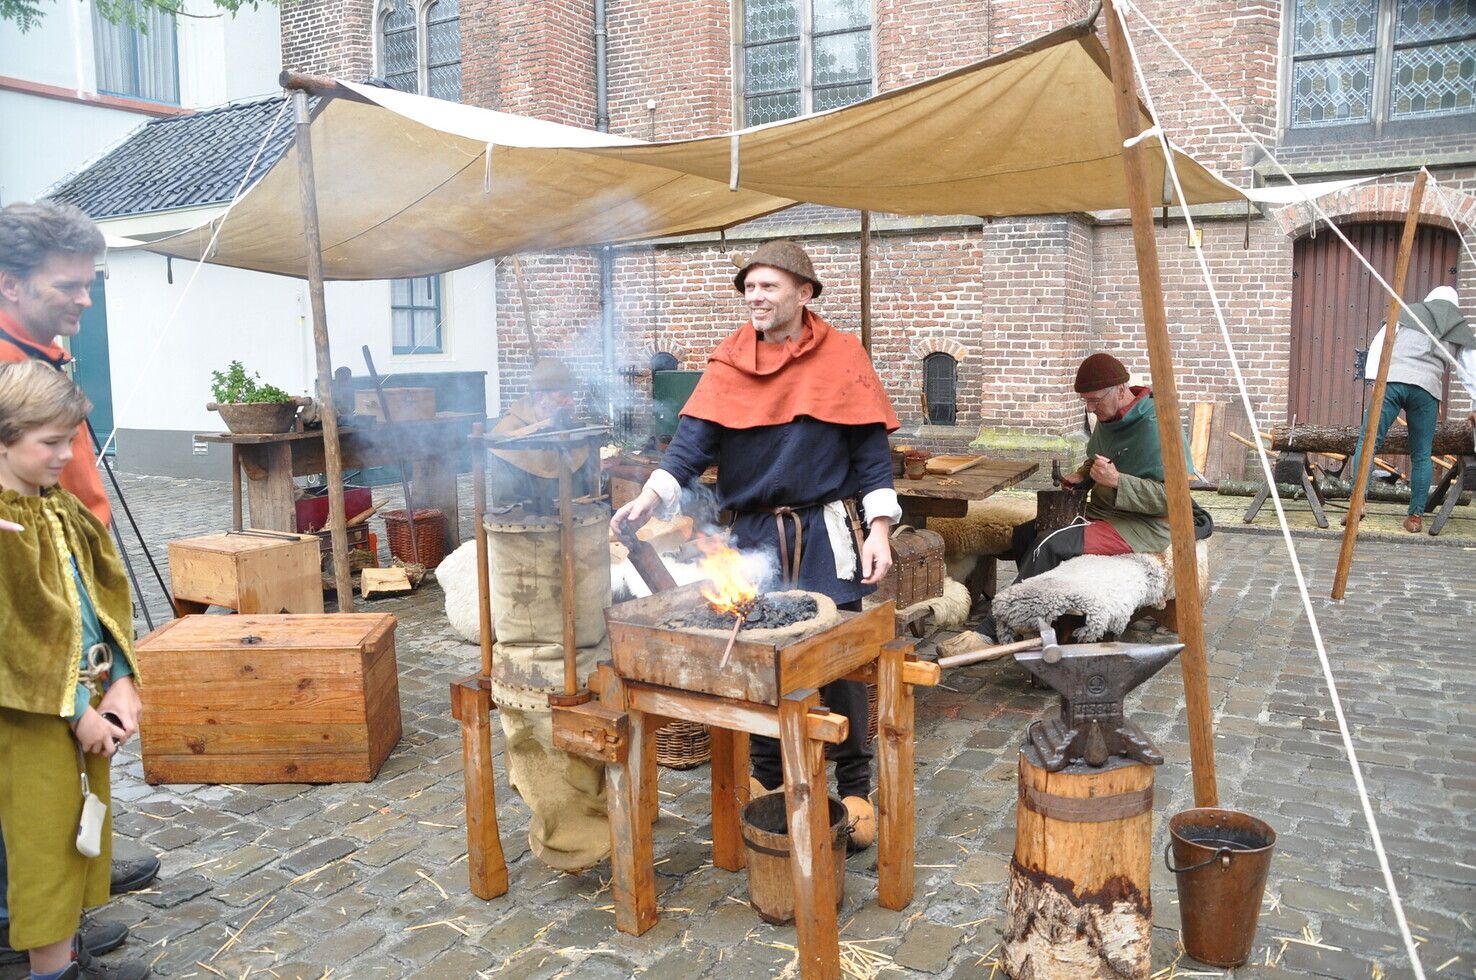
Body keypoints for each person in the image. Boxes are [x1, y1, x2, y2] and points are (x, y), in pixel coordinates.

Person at [611, 240, 900, 851]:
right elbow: (688, 449)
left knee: (840, 659)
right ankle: (769, 778)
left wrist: (878, 529)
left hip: (824, 531)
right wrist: (650, 498)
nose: (755, 297)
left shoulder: (843, 355)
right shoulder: (730, 361)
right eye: (749, 287)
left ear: (804, 292)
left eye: (769, 286)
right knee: (757, 657)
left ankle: (854, 785)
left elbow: (872, 456)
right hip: (754, 535)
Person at [0, 202, 159, 969]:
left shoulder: (45, 355)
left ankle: (57, 917)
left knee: (64, 813)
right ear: (10, 284)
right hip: (30, 644)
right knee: (30, 821)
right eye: (68, 285)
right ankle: (30, 934)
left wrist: (115, 666)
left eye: (89, 283)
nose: (85, 299)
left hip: (73, 582)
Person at [484, 355, 609, 872]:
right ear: (537, 398)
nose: (566, 404)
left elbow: (585, 495)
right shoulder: (507, 443)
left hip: (580, 588)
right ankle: (569, 830)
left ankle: (603, 817)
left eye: (570, 397)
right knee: (538, 719)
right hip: (529, 582)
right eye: (558, 397)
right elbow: (512, 510)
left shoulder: (573, 437)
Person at [1009, 352, 1212, 581]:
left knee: (1049, 545)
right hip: (1104, 512)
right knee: (1024, 535)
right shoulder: (1110, 416)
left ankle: (1021, 601)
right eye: (1085, 401)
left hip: (1144, 524)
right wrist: (1083, 475)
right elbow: (1101, 457)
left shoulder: (1160, 427)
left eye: (1095, 400)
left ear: (1121, 391)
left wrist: (1117, 481)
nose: (1090, 408)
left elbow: (1175, 499)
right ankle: (1048, 598)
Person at [1348, 286, 1476, 533]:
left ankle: (1358, 502)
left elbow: (1381, 342)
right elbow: (1471, 371)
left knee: (1368, 441)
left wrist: (1374, 379)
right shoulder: (1459, 328)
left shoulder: (1409, 312)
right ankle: (1415, 517)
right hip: (1426, 392)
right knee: (1421, 454)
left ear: (1429, 299)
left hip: (1392, 382)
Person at [487, 357, 596, 511]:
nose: (571, 401)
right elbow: (506, 507)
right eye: (563, 395)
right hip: (529, 524)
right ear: (540, 398)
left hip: (579, 519)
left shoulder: (573, 429)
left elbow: (587, 492)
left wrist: (600, 471)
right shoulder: (507, 433)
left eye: (572, 395)